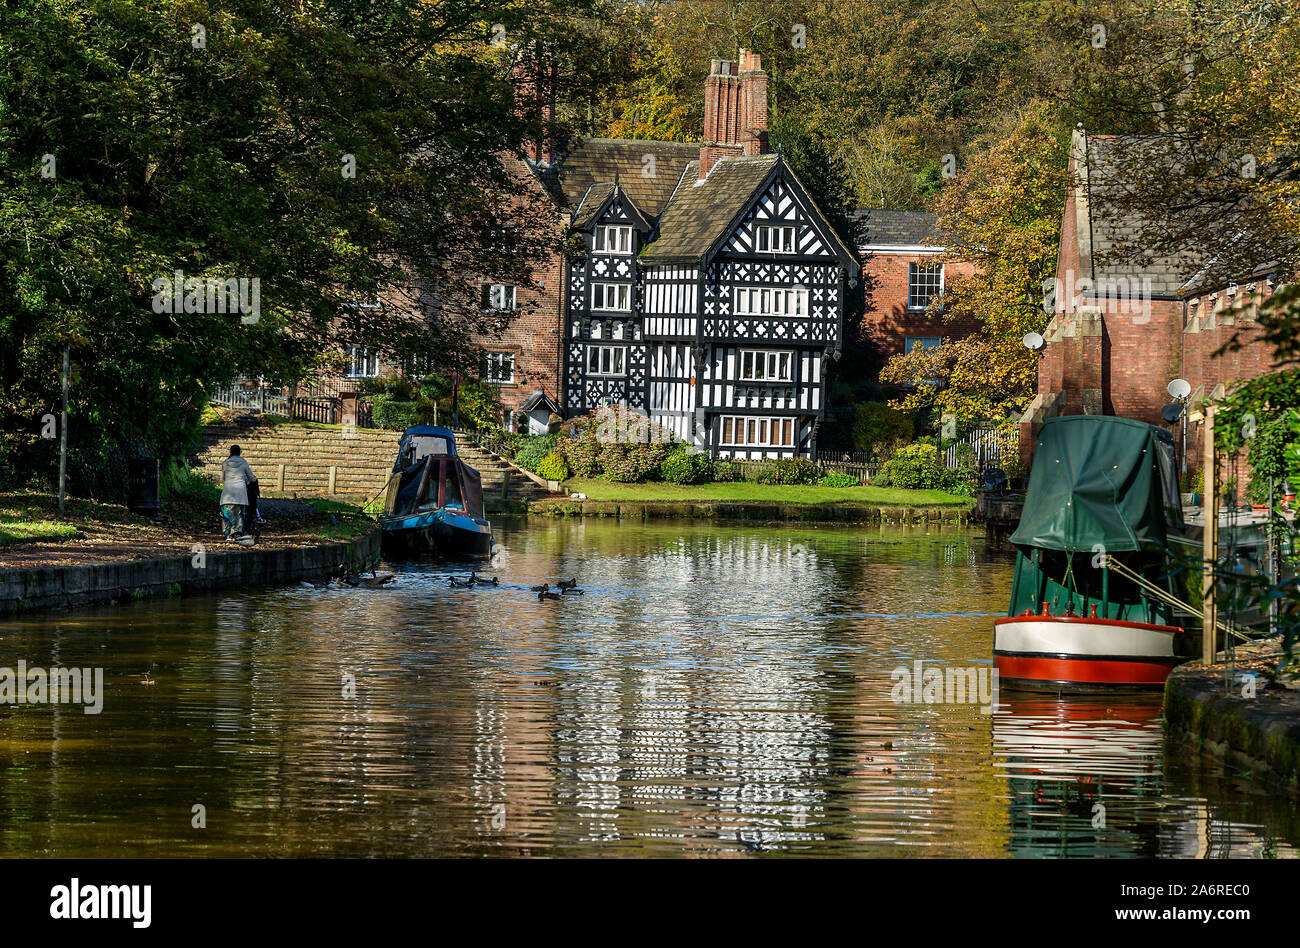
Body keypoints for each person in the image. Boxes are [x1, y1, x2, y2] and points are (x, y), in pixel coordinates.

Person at [220, 445, 259, 541]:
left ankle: (227, 534)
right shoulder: (244, 462)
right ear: (240, 452)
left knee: (227, 513)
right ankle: (237, 533)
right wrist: (254, 481)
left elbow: (223, 478)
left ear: (230, 452)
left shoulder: (225, 463)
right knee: (239, 513)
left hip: (227, 492)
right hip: (240, 492)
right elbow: (251, 477)